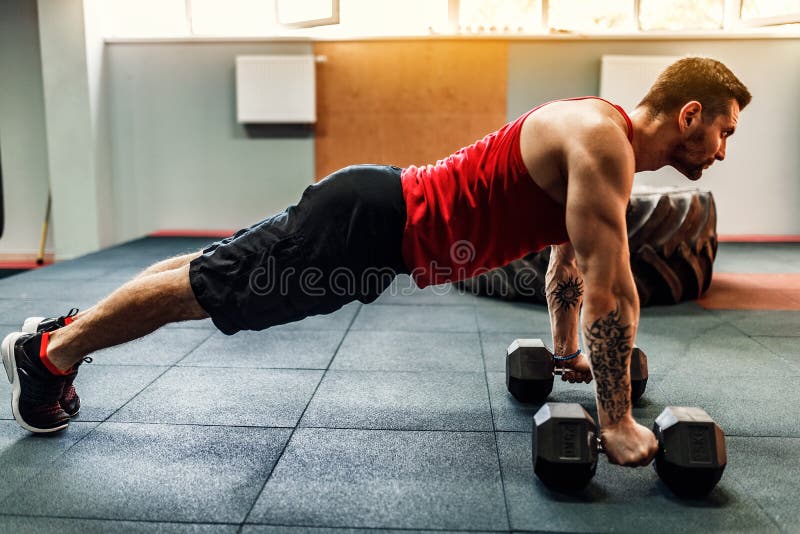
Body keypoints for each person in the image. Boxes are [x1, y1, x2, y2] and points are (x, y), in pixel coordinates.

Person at [2, 57, 750, 468]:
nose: (721, 151)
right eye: (724, 132)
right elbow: (613, 292)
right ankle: (48, 356)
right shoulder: (604, 143)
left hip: (370, 208)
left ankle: (56, 339)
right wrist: (616, 423)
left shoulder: (597, 136)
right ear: (689, 114)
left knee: (208, 271)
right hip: (370, 230)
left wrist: (563, 352)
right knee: (204, 290)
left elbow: (571, 268)